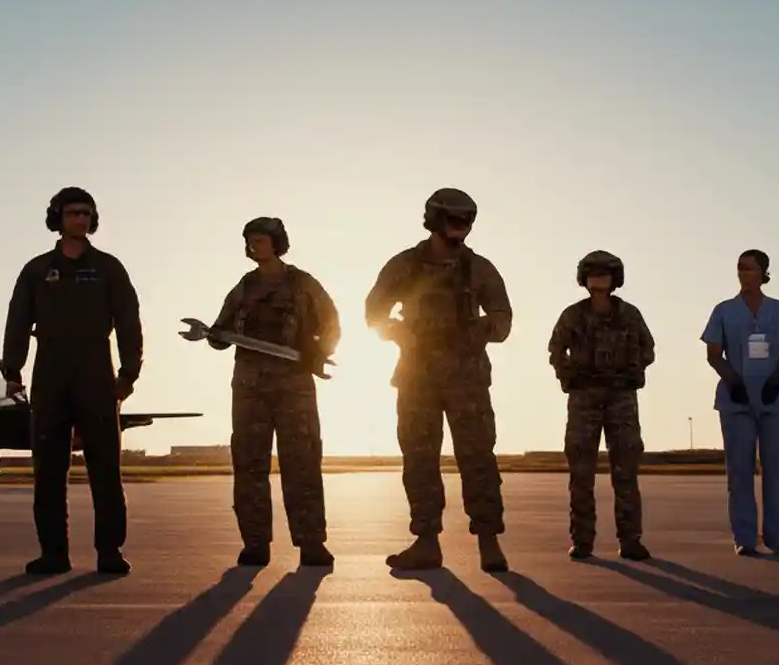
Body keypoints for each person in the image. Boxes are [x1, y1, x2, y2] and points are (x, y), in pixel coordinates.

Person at [365, 187, 512, 572]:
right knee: (419, 459)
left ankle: (489, 542)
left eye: (467, 221)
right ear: (434, 219)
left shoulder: (480, 269)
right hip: (417, 376)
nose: (461, 228)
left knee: (478, 457)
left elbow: (503, 319)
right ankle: (426, 540)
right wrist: (398, 332)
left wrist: (476, 332)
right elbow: (373, 311)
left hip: (468, 377)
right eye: (453, 220)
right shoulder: (404, 266)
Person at [0, 186, 143, 575]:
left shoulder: (109, 268)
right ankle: (53, 553)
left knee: (105, 467)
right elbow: (17, 320)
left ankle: (110, 551)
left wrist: (129, 373)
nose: (81, 219)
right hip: (50, 370)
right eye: (73, 213)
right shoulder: (36, 270)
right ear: (58, 218)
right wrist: (12, 371)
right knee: (47, 468)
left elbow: (129, 322)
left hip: (96, 369)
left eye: (87, 213)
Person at [207, 217, 340, 568]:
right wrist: (216, 336)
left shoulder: (302, 284)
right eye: (249, 241)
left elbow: (331, 322)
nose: (254, 246)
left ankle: (311, 543)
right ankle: (255, 544)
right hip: (250, 387)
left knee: (303, 464)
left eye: (261, 240)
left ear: (277, 243)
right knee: (250, 464)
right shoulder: (244, 287)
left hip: (294, 384)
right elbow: (221, 326)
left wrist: (320, 351)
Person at [548, 250, 655, 561]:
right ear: (584, 278)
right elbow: (556, 350)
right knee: (581, 473)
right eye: (592, 273)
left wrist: (631, 372)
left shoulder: (630, 315)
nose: (598, 279)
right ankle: (582, 540)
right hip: (584, 399)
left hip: (621, 399)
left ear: (614, 279)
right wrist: (570, 377)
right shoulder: (572, 316)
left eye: (604, 273)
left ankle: (630, 540)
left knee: (626, 471)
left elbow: (647, 348)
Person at [700, 249, 779, 556]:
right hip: (737, 402)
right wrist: (734, 382)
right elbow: (713, 354)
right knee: (739, 472)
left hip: (775, 401)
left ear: (763, 273)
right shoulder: (724, 310)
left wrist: (775, 381)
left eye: (749, 269)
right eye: (739, 269)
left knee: (774, 472)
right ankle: (744, 538)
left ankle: (777, 538)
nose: (743, 274)